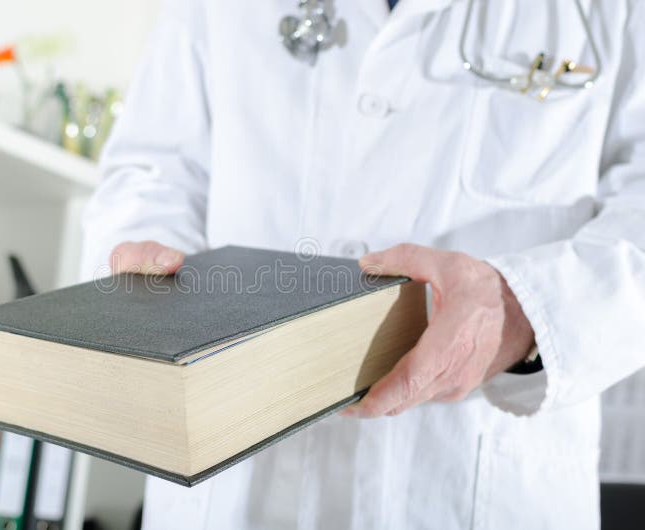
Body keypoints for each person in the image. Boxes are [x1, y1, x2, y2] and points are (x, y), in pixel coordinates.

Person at [81, 1, 645, 528]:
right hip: (226, 478)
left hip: (469, 482)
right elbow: (152, 171)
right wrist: (149, 271)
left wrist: (521, 311)